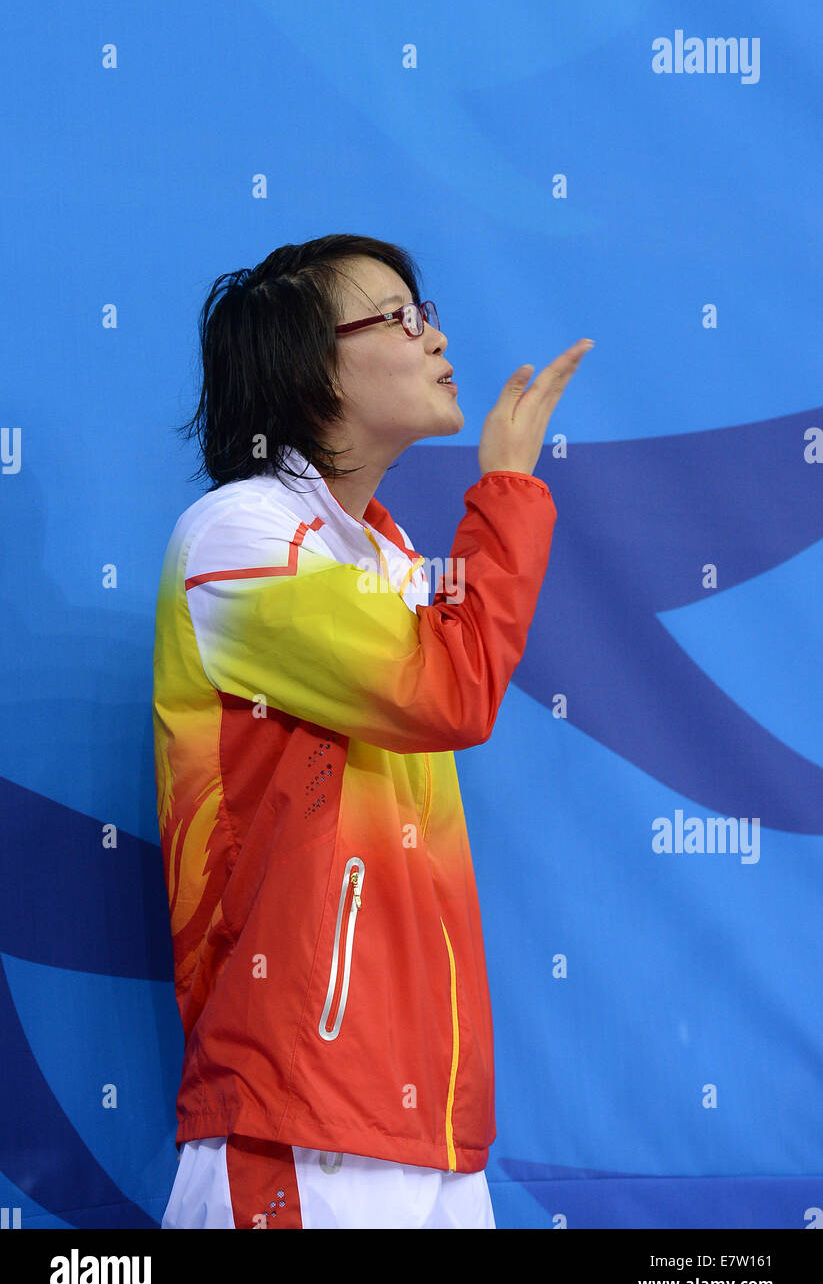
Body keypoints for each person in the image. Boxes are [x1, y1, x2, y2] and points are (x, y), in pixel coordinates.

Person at [153, 233, 593, 1229]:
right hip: (296, 1122)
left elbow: (450, 661)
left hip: (431, 1132)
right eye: (398, 314)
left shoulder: (389, 555)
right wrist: (510, 489)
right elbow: (449, 689)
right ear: (313, 367)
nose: (434, 334)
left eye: (424, 308)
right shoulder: (239, 535)